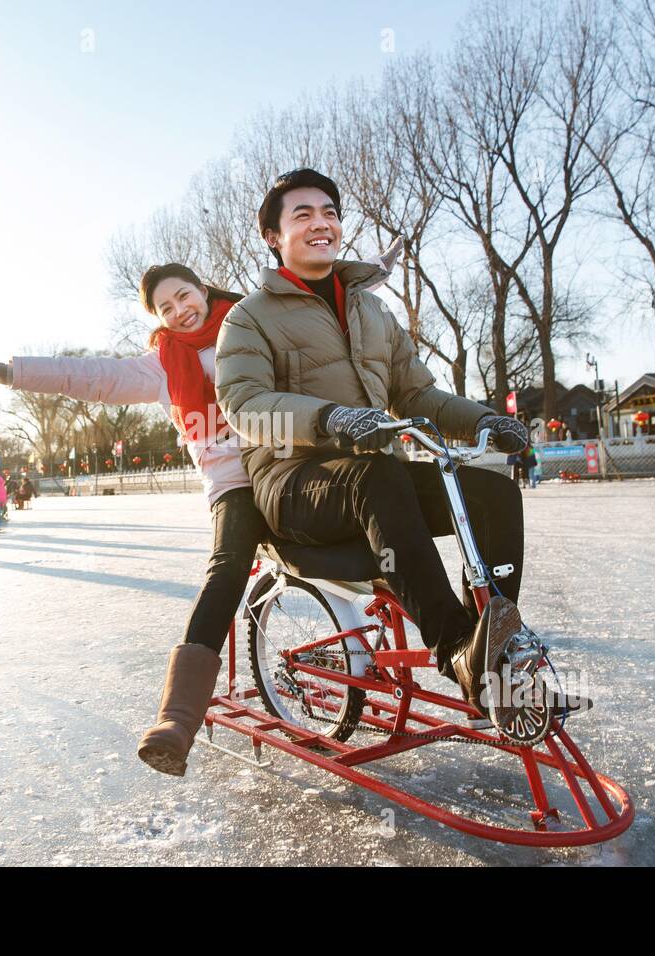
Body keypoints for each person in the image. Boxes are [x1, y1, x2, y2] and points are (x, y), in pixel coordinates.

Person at [0, 238, 403, 777]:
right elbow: (93, 378)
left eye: (183, 296)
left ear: (202, 288)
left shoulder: (253, 324)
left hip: (293, 467)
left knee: (380, 525)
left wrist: (369, 273)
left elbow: (319, 306)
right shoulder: (161, 367)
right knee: (226, 570)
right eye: (165, 309)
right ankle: (177, 719)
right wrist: (15, 372)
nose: (180, 311)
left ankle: (457, 647)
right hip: (234, 484)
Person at [214, 167, 540, 724]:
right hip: (294, 483)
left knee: (490, 491)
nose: (322, 224)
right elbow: (245, 406)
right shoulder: (249, 319)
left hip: (369, 473)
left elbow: (416, 394)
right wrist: (330, 418)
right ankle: (458, 649)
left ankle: (496, 643)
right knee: (380, 478)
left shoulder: (372, 311)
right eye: (304, 215)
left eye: (330, 213)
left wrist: (487, 421)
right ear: (274, 236)